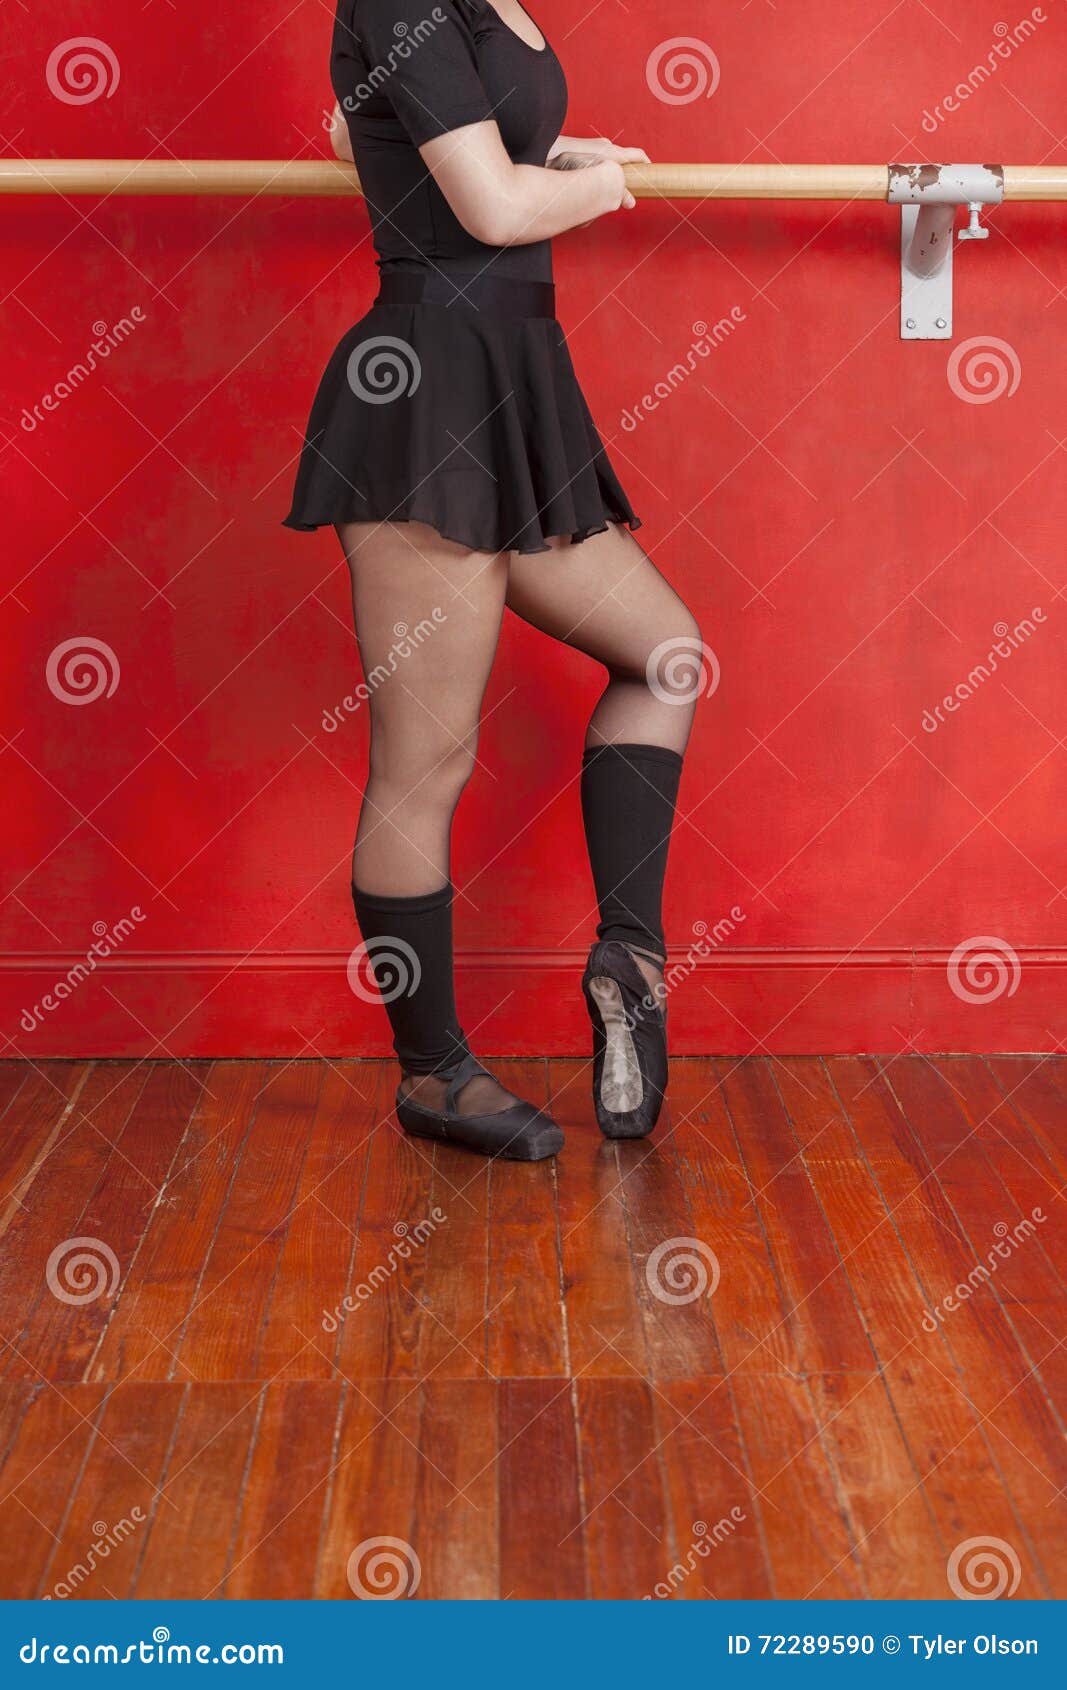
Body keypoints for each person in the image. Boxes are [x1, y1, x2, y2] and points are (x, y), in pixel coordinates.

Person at [284, 1, 703, 1160]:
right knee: (428, 760)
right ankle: (434, 1077)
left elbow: (382, 142)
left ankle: (630, 962)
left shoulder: (486, 3)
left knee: (663, 654)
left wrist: (556, 159)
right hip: (423, 394)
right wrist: (605, 179)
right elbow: (491, 209)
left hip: (514, 380)